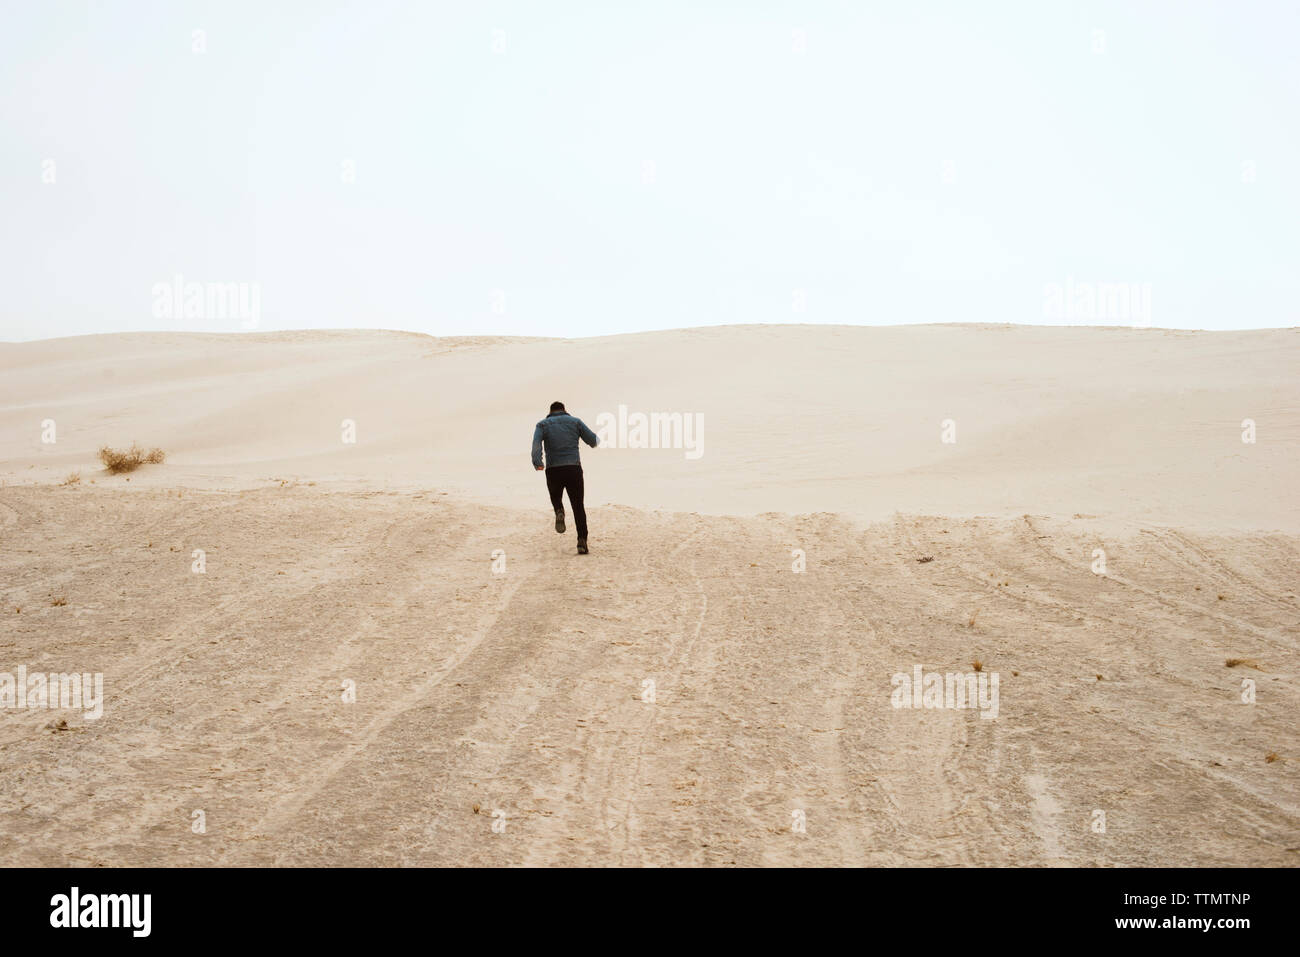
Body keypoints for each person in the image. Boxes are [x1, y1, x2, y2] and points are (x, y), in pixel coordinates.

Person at [531, 401, 599, 554]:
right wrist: (596, 442)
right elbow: (593, 440)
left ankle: (559, 510)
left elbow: (536, 446)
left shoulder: (542, 425)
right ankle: (582, 541)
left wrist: (538, 463)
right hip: (573, 468)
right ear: (564, 410)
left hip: (553, 469)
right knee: (578, 506)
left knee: (555, 496)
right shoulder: (575, 422)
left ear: (550, 411)